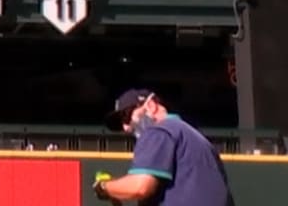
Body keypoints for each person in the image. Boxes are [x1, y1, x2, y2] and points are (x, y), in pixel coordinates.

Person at [96, 88, 235, 205]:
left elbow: (140, 187)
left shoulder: (158, 131)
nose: (125, 128)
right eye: (121, 124)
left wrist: (104, 186)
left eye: (126, 116)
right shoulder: (196, 137)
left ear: (150, 105)